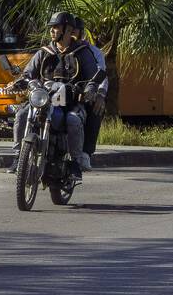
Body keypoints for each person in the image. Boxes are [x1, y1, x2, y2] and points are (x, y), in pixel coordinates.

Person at [9, 11, 101, 183]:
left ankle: (75, 163)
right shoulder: (44, 52)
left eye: (56, 27)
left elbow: (93, 77)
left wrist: (90, 88)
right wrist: (21, 81)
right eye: (51, 28)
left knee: (73, 120)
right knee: (22, 115)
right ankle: (17, 156)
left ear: (68, 30)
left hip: (72, 103)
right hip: (45, 100)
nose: (52, 31)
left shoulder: (82, 52)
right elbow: (28, 72)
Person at [71, 17, 109, 157]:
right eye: (68, 30)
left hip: (82, 92)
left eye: (73, 31)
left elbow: (102, 75)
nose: (71, 34)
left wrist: (100, 94)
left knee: (95, 107)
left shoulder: (93, 52)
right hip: (58, 92)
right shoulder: (52, 49)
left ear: (81, 32)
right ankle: (22, 155)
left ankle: (86, 153)